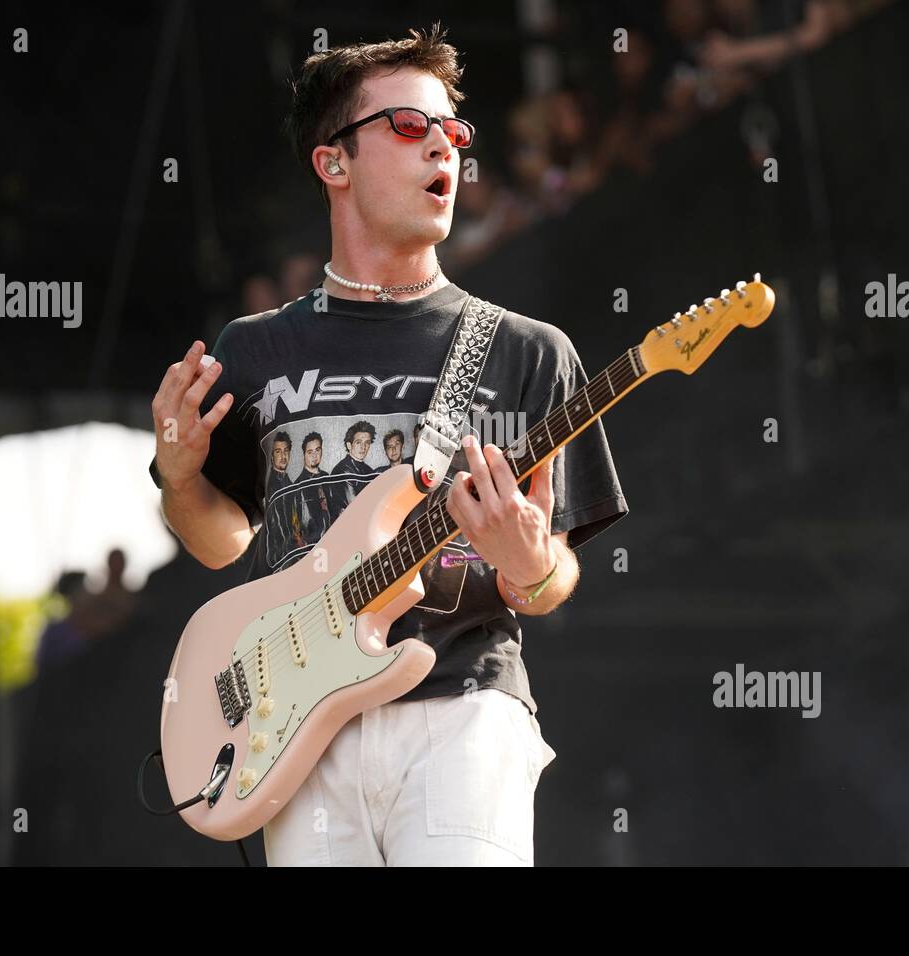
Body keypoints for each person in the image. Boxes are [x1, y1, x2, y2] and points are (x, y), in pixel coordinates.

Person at [148, 23, 627, 866]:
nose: (445, 149)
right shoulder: (255, 350)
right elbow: (223, 542)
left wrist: (529, 563)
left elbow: (550, 579)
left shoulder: (527, 351)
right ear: (333, 162)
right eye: (411, 127)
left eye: (455, 133)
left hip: (462, 706)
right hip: (295, 727)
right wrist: (183, 479)